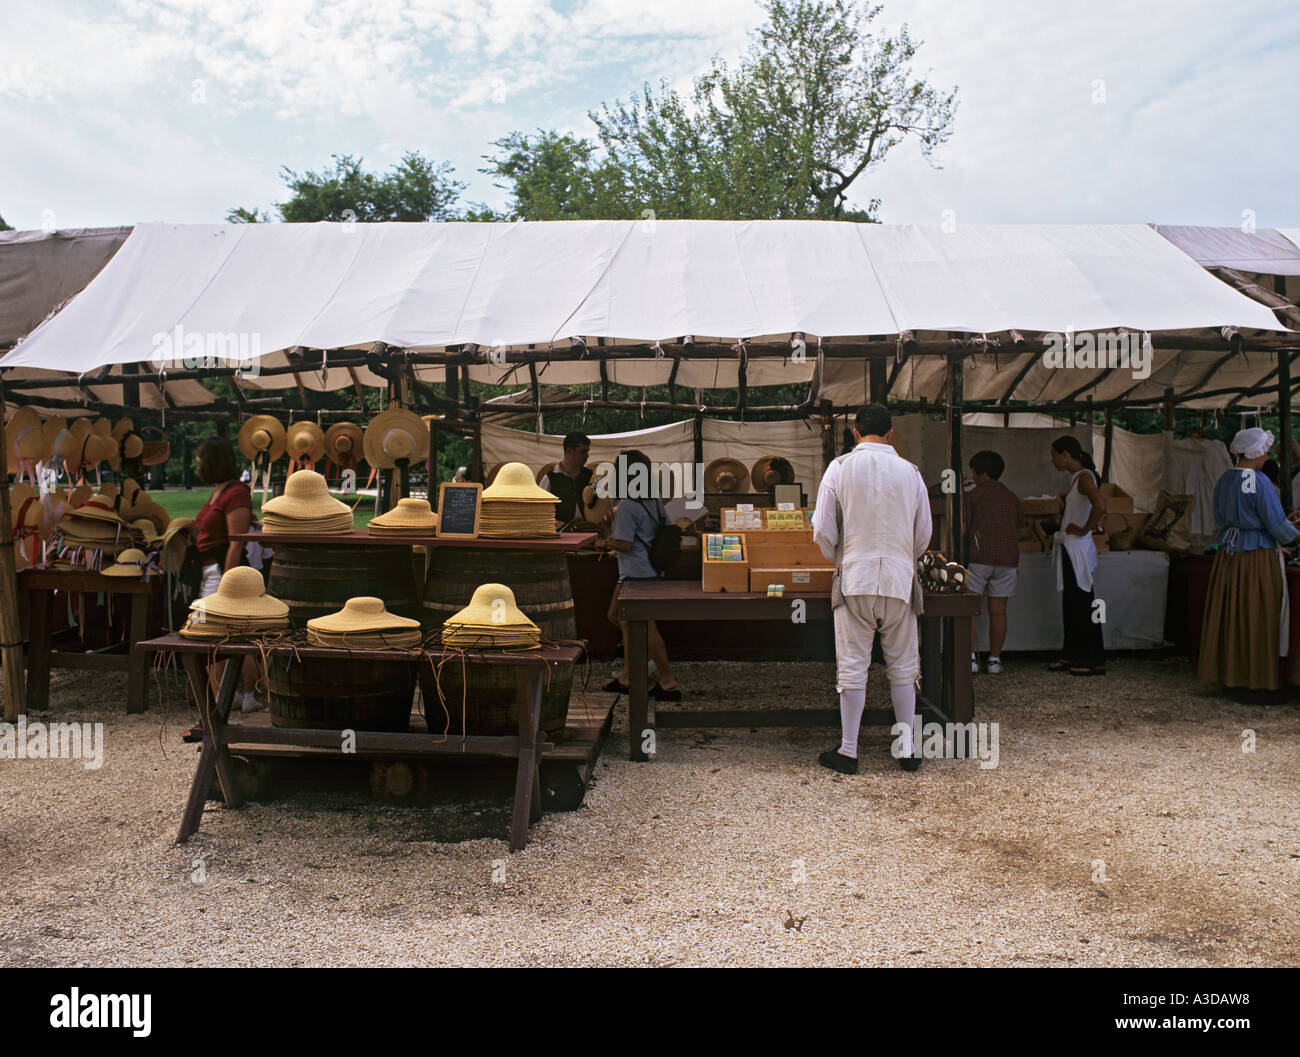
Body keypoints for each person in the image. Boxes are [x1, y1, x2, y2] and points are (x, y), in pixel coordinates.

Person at [811, 403, 932, 774]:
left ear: (855, 433)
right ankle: (907, 748)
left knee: (852, 667)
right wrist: (901, 557)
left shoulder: (840, 468)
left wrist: (843, 558)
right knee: (904, 666)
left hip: (855, 578)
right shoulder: (911, 473)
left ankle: (849, 750)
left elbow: (821, 529)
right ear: (891, 434)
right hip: (898, 579)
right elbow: (923, 533)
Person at [1199, 427, 1298, 695]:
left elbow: (1221, 516)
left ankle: (1232, 677)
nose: (1266, 455)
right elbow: (1275, 522)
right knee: (1256, 615)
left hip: (1228, 555)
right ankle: (1256, 681)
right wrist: (1293, 538)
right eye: (1264, 450)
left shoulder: (1225, 479)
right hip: (1256, 557)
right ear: (1255, 452)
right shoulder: (1257, 480)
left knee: (1233, 614)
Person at [596, 449, 680, 700]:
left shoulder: (627, 506)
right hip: (649, 570)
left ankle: (667, 681)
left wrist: (602, 541)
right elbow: (659, 531)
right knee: (619, 619)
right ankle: (630, 674)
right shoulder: (653, 502)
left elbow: (624, 543)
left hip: (636, 574)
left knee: (642, 626)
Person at [194, 436, 261, 711]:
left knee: (229, 633)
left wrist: (227, 584)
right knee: (211, 635)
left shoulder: (236, 493)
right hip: (208, 569)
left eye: (200, 462)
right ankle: (224, 694)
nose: (197, 467)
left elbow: (236, 540)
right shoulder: (219, 491)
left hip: (224, 569)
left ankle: (249, 692)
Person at [1047, 436, 1106, 677]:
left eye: (1055, 455)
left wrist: (1085, 528)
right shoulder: (1078, 479)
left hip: (1077, 548)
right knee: (1072, 604)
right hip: (1070, 546)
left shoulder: (1084, 477)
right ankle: (1072, 653)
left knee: (1082, 603)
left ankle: (1091, 658)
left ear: (1066, 455)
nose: (1053, 461)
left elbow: (1100, 506)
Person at [965, 450, 1021, 674]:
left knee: (968, 609)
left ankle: (970, 658)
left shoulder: (973, 495)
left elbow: (964, 525)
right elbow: (1019, 525)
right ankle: (995, 660)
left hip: (979, 557)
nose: (974, 477)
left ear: (983, 474)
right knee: (998, 611)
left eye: (975, 473)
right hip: (1008, 558)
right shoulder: (1012, 496)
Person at [540, 431, 593, 526]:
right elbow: (541, 510)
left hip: (588, 531)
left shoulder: (590, 476)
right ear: (569, 451)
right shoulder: (550, 478)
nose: (587, 456)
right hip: (562, 534)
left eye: (587, 451)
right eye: (583, 451)